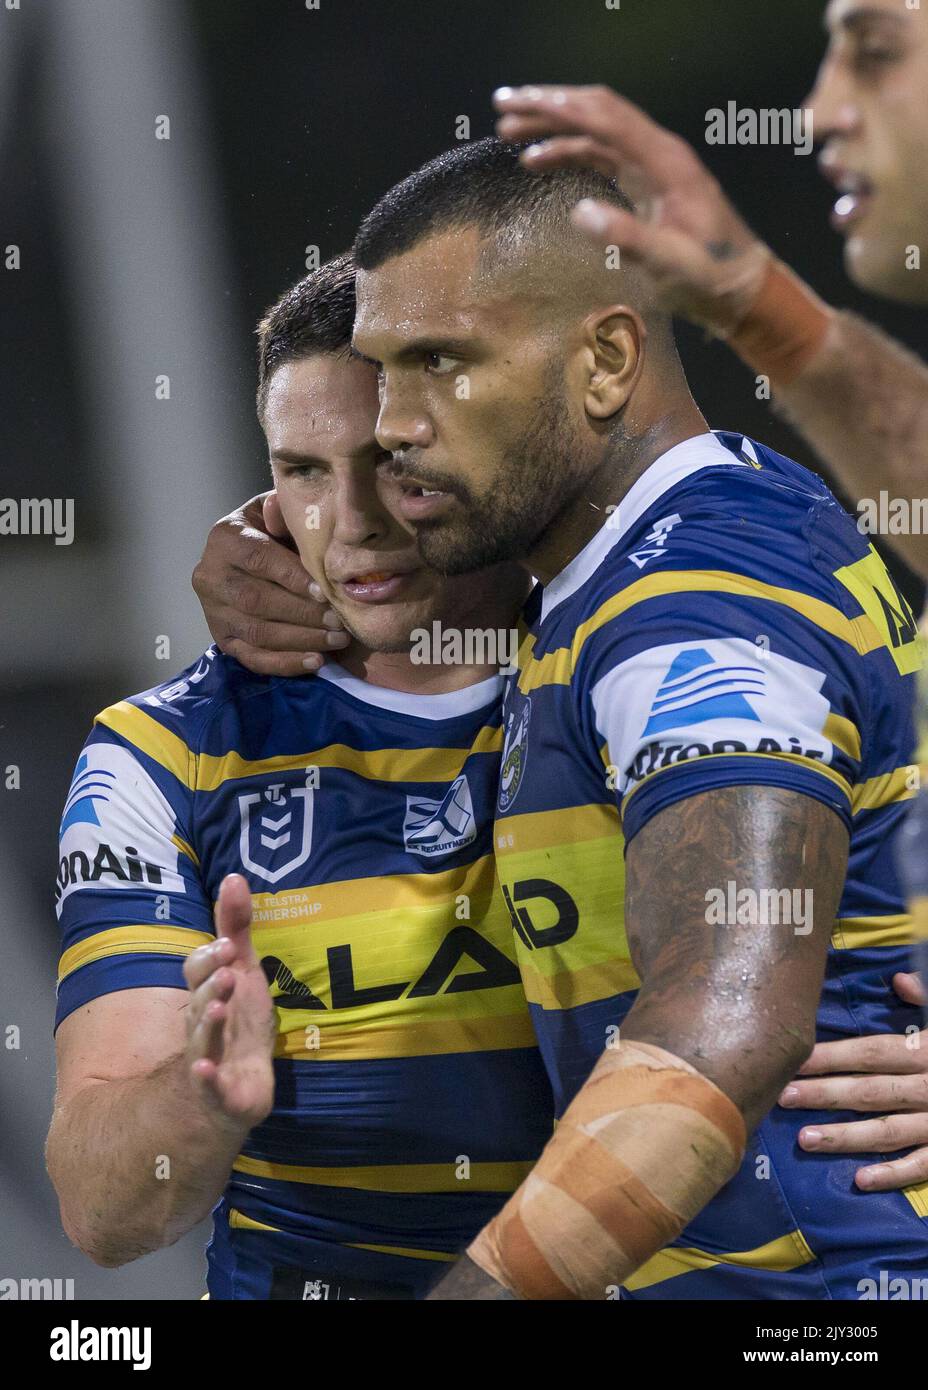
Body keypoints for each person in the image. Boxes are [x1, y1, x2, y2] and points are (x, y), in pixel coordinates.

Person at [338, 136, 926, 1299]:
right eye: (380, 371)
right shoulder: (661, 545)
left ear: (606, 358)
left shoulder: (690, 606)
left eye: (441, 363)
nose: (393, 423)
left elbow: (723, 1028)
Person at [45, 255, 554, 1300]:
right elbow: (100, 1206)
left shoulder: (628, 667)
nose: (353, 520)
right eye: (303, 471)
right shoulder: (163, 750)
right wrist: (202, 1103)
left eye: (388, 459)